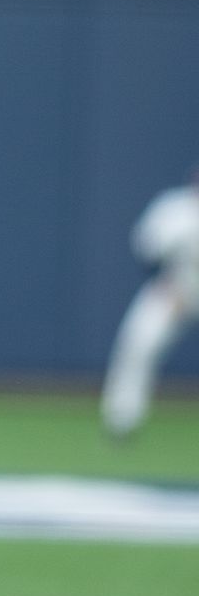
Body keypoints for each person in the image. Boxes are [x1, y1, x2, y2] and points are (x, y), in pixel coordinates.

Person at [100, 167, 199, 440]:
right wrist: (169, 284)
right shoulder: (176, 209)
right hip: (177, 288)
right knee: (139, 342)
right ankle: (122, 421)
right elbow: (146, 252)